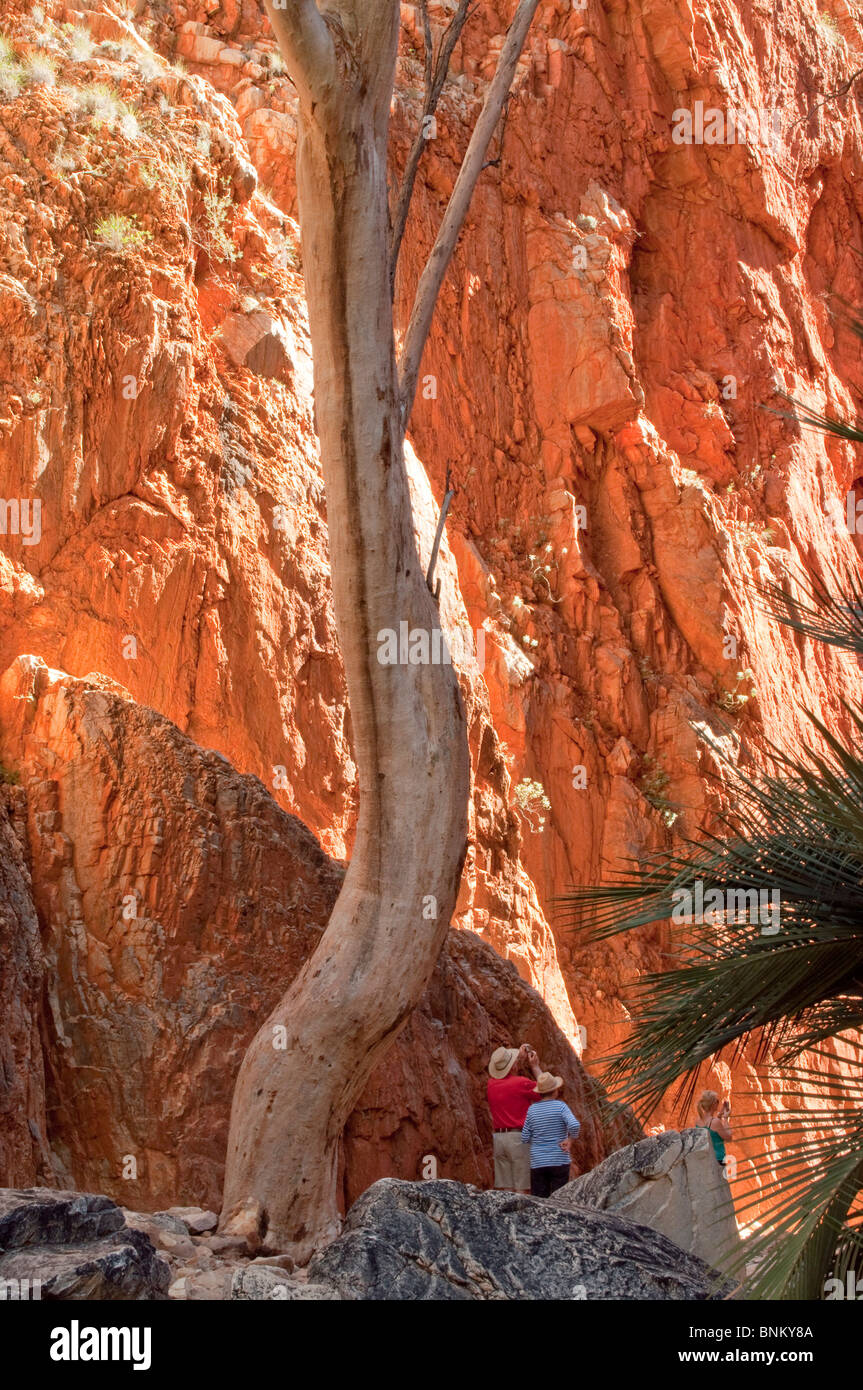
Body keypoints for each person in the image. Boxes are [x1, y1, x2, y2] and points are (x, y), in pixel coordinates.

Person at [487, 1043, 543, 1193]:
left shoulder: (490, 1085)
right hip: (518, 1139)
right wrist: (535, 1067)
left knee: (506, 1189)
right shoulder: (521, 1083)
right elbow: (546, 1089)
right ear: (512, 1066)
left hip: (499, 1139)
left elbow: (507, 1076)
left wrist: (518, 1057)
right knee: (522, 1188)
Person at [521, 1072, 581, 1198]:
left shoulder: (532, 1110)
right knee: (559, 1200)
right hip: (559, 1159)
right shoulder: (561, 1107)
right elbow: (574, 1125)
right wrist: (570, 1139)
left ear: (539, 1093)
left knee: (539, 1202)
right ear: (555, 1091)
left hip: (538, 1162)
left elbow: (525, 1137)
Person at [697, 1088, 733, 1166]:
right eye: (717, 1101)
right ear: (713, 1104)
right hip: (718, 1160)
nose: (718, 1103)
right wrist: (726, 1118)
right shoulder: (715, 1122)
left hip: (705, 1159)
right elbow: (729, 1138)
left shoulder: (698, 1120)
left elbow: (712, 1129)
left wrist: (721, 1113)